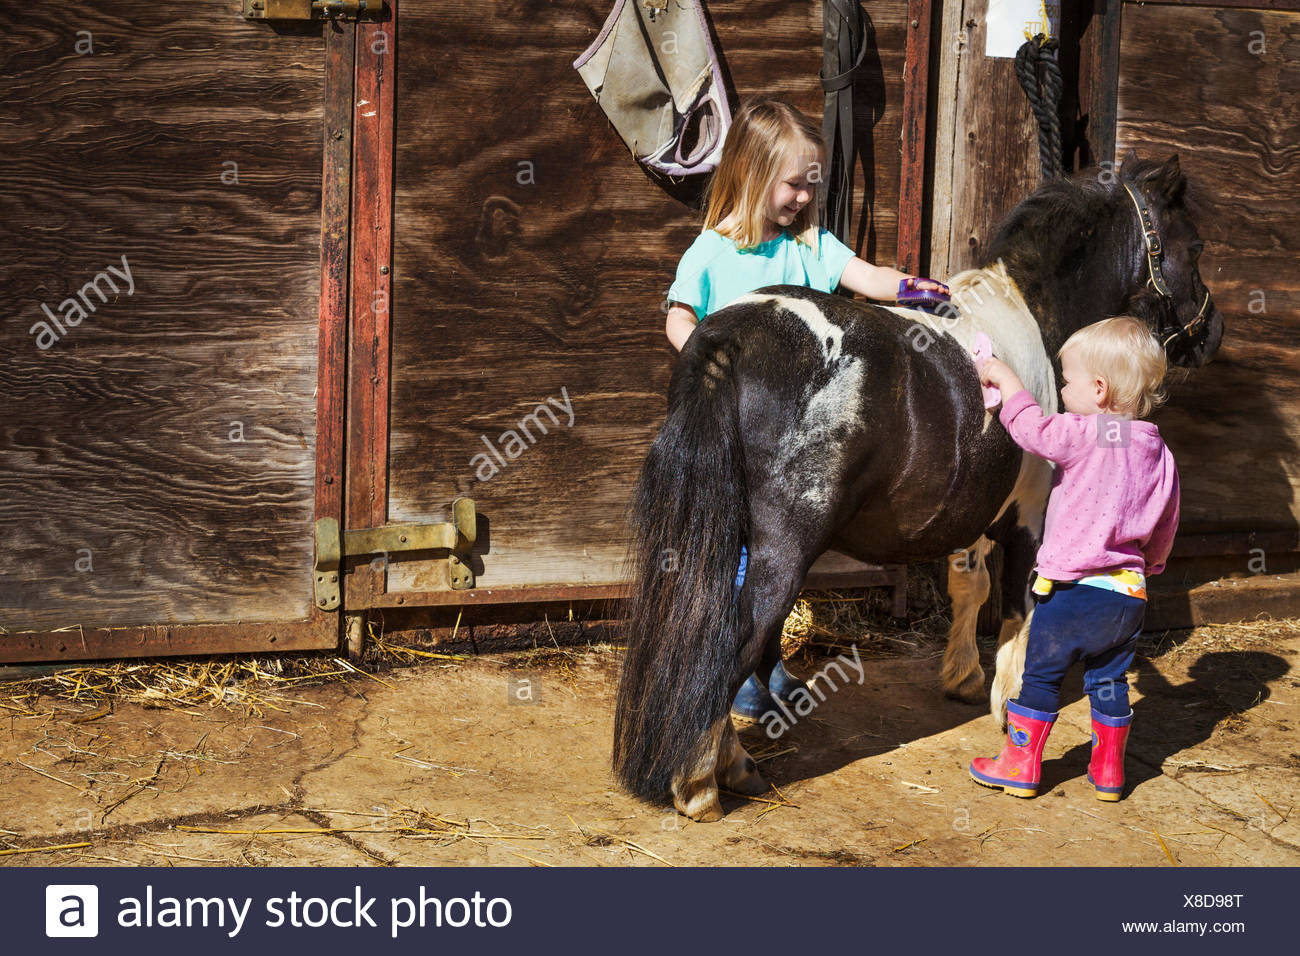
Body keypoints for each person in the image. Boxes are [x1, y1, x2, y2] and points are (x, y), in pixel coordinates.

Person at [661, 96, 949, 718]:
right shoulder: (712, 253)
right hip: (735, 429)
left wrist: (916, 289)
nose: (801, 197)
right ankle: (732, 666)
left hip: (797, 446)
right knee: (738, 555)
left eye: (809, 185)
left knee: (780, 558)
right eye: (793, 183)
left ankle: (764, 662)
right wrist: (709, 358)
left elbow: (867, 277)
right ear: (750, 172)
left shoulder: (812, 245)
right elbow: (680, 317)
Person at [970, 316, 1179, 801]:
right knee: (1108, 680)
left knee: (1041, 675)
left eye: (1066, 382)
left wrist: (1006, 379)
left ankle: (1021, 764)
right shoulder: (1157, 449)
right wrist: (1152, 568)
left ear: (1100, 390)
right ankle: (1107, 771)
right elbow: (1166, 523)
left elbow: (1033, 430)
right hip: (1128, 597)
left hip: (1071, 593)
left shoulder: (1089, 433)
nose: (1062, 391)